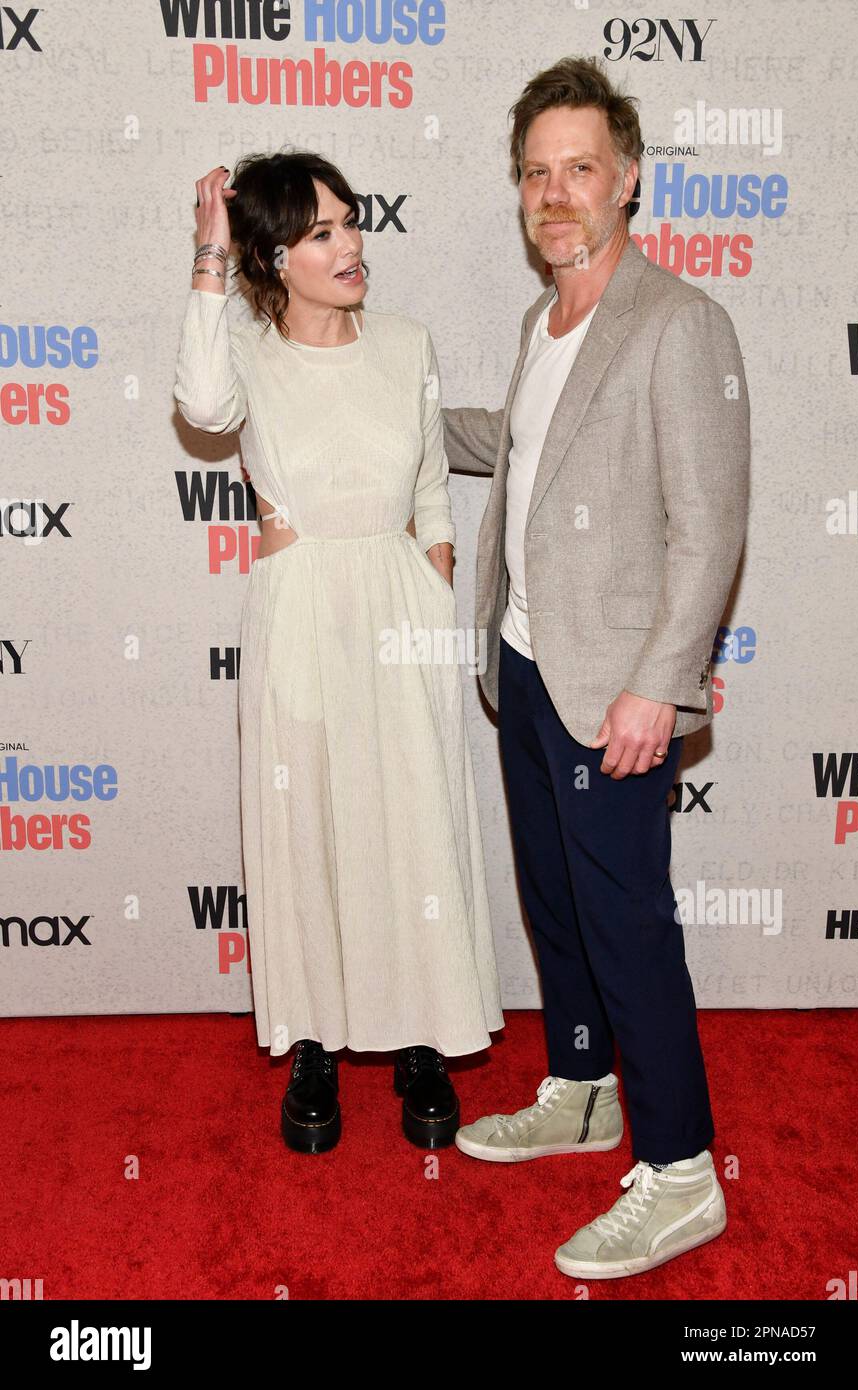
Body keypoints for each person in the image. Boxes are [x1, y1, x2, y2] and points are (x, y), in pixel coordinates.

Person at [442, 56, 750, 1279]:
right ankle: (581, 1086)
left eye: (580, 168)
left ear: (627, 181)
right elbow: (518, 444)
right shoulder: (543, 319)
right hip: (524, 667)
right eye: (535, 172)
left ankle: (680, 1174)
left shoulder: (680, 323)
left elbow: (709, 524)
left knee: (628, 925)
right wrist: (386, 405)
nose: (555, 192)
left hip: (612, 688)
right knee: (558, 907)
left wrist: (656, 683)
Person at [173, 150, 503, 1155]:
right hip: (301, 603)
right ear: (273, 255)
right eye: (321, 231)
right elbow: (200, 406)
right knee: (307, 821)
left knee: (413, 824)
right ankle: (313, 1039)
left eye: (351, 222)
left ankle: (422, 1037)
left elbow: (432, 488)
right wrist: (206, 258)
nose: (351, 243)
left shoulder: (406, 341)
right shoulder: (245, 346)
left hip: (400, 599)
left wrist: (435, 575)